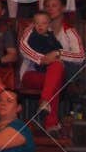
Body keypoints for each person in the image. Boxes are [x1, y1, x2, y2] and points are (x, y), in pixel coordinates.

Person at [18, 8, 68, 136]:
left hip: (48, 75)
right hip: (32, 74)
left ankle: (45, 102)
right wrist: (43, 59)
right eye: (37, 23)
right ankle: (51, 124)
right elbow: (23, 47)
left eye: (44, 23)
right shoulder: (31, 34)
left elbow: (61, 52)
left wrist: (57, 56)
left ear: (49, 24)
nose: (40, 26)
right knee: (53, 81)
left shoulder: (52, 37)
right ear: (33, 24)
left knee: (55, 74)